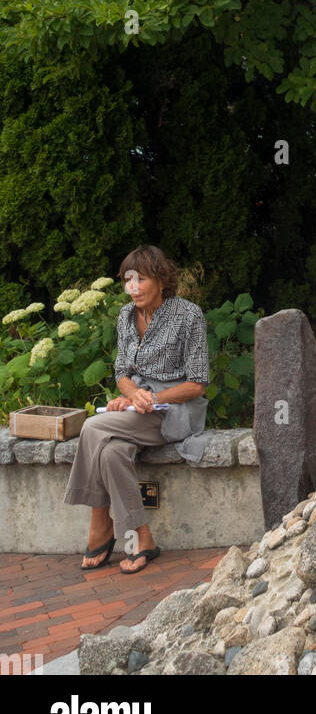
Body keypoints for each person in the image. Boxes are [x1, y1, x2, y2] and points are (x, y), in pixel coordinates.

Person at [63, 245, 209, 573]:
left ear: (161, 280)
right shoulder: (126, 317)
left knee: (91, 427)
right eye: (128, 280)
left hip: (175, 411)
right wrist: (130, 396)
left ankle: (99, 521)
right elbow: (122, 373)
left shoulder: (188, 315)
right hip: (139, 410)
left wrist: (151, 399)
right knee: (111, 453)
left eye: (141, 279)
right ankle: (141, 537)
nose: (133, 287)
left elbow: (198, 383)